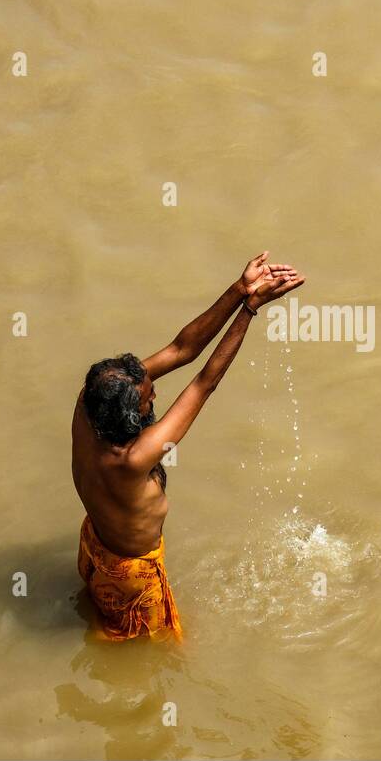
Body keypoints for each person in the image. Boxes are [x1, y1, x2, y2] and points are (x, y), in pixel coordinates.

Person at [72, 252, 305, 642]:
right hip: (133, 576)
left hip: (95, 544)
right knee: (155, 650)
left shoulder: (89, 400)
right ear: (130, 416)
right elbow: (203, 383)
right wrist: (250, 310)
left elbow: (182, 349)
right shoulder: (132, 460)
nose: (154, 392)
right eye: (149, 399)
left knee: (96, 617)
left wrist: (239, 289)